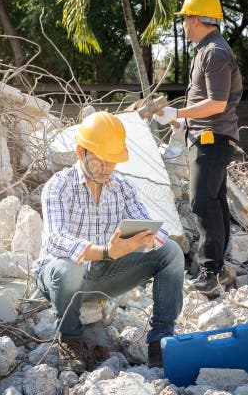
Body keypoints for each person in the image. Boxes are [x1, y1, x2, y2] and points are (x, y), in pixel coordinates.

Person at [32, 111, 185, 371]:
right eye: (100, 161)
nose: (107, 169)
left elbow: (149, 226)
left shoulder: (122, 187)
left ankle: (161, 342)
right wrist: (107, 252)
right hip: (62, 280)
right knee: (70, 266)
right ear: (80, 152)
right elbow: (57, 241)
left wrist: (145, 239)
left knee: (171, 252)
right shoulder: (58, 186)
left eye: (113, 161)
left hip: (103, 277)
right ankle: (70, 338)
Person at [154, 0, 243, 296]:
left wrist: (178, 111)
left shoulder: (215, 53)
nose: (183, 25)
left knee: (202, 201)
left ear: (195, 19)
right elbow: (209, 104)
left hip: (212, 138)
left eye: (185, 19)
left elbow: (216, 104)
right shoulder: (207, 50)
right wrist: (179, 120)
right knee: (214, 200)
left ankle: (211, 272)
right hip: (206, 135)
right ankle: (219, 268)